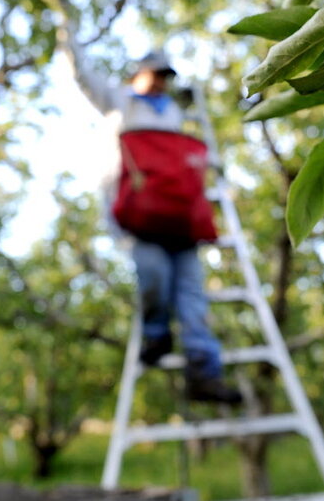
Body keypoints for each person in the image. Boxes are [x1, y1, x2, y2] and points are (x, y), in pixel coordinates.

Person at [62, 26, 242, 405]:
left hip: (177, 214)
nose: (161, 83)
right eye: (156, 75)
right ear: (138, 74)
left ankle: (204, 373)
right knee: (155, 275)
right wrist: (69, 38)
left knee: (193, 292)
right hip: (137, 212)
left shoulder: (173, 111)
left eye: (166, 77)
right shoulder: (119, 102)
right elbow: (83, 76)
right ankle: (156, 333)